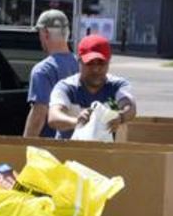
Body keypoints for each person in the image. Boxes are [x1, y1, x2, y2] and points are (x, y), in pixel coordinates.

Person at [48, 34, 137, 138]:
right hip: (69, 151)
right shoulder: (66, 87)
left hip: (106, 152)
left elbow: (130, 107)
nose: (95, 69)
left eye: (101, 63)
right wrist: (77, 121)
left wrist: (120, 117)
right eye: (89, 63)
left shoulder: (118, 86)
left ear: (109, 62)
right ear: (79, 62)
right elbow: (53, 117)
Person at [23, 9, 79, 138]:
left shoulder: (43, 70)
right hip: (79, 144)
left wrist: (23, 148)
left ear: (46, 33)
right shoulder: (81, 65)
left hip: (50, 150)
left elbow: (38, 117)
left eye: (40, 33)